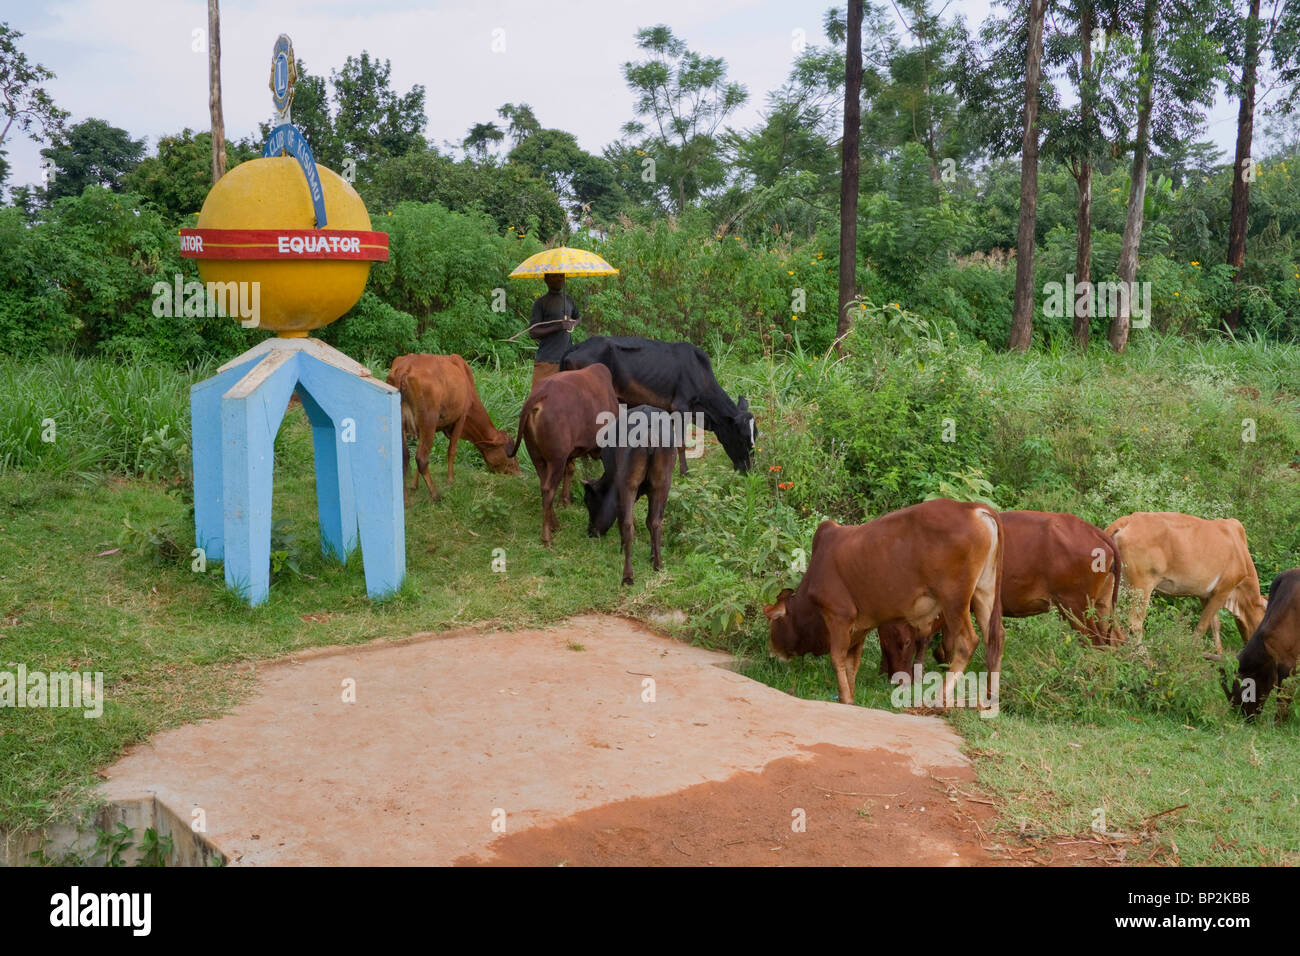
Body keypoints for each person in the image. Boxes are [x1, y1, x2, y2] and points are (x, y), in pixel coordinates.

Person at [527, 272, 580, 392]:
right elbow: (533, 333)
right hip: (546, 361)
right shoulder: (541, 303)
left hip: (566, 360)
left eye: (561, 276)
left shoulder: (569, 300)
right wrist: (558, 326)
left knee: (564, 399)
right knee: (539, 399)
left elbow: (578, 317)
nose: (558, 279)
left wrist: (573, 324)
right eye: (554, 276)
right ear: (546, 279)